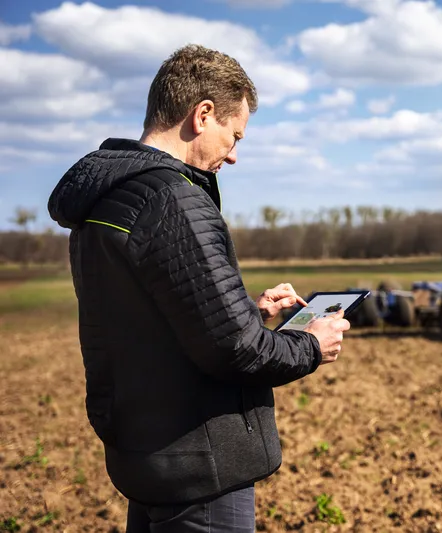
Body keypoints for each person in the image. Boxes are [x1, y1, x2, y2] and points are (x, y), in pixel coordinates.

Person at [47, 44, 350, 531]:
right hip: (200, 467)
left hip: (148, 457)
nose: (234, 155)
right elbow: (238, 351)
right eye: (235, 136)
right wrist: (311, 344)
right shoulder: (174, 200)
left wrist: (248, 311)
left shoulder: (108, 199)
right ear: (202, 115)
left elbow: (154, 320)